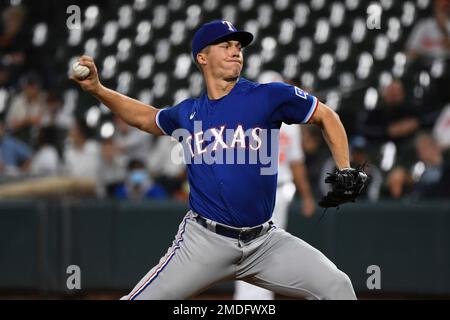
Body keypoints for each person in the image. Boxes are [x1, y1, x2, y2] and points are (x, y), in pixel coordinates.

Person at [71, 20, 357, 300]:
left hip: (264, 243)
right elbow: (145, 118)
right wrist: (98, 90)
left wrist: (345, 167)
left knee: (337, 286)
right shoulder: (188, 113)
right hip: (204, 242)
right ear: (202, 57)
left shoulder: (267, 96)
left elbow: (326, 116)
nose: (236, 51)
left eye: (238, 47)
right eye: (226, 45)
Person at [233, 71, 315, 300]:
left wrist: (307, 196)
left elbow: (296, 162)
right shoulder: (249, 120)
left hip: (274, 192)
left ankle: (255, 300)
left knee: (259, 249)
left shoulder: (251, 119)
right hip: (261, 192)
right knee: (257, 249)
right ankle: (251, 300)